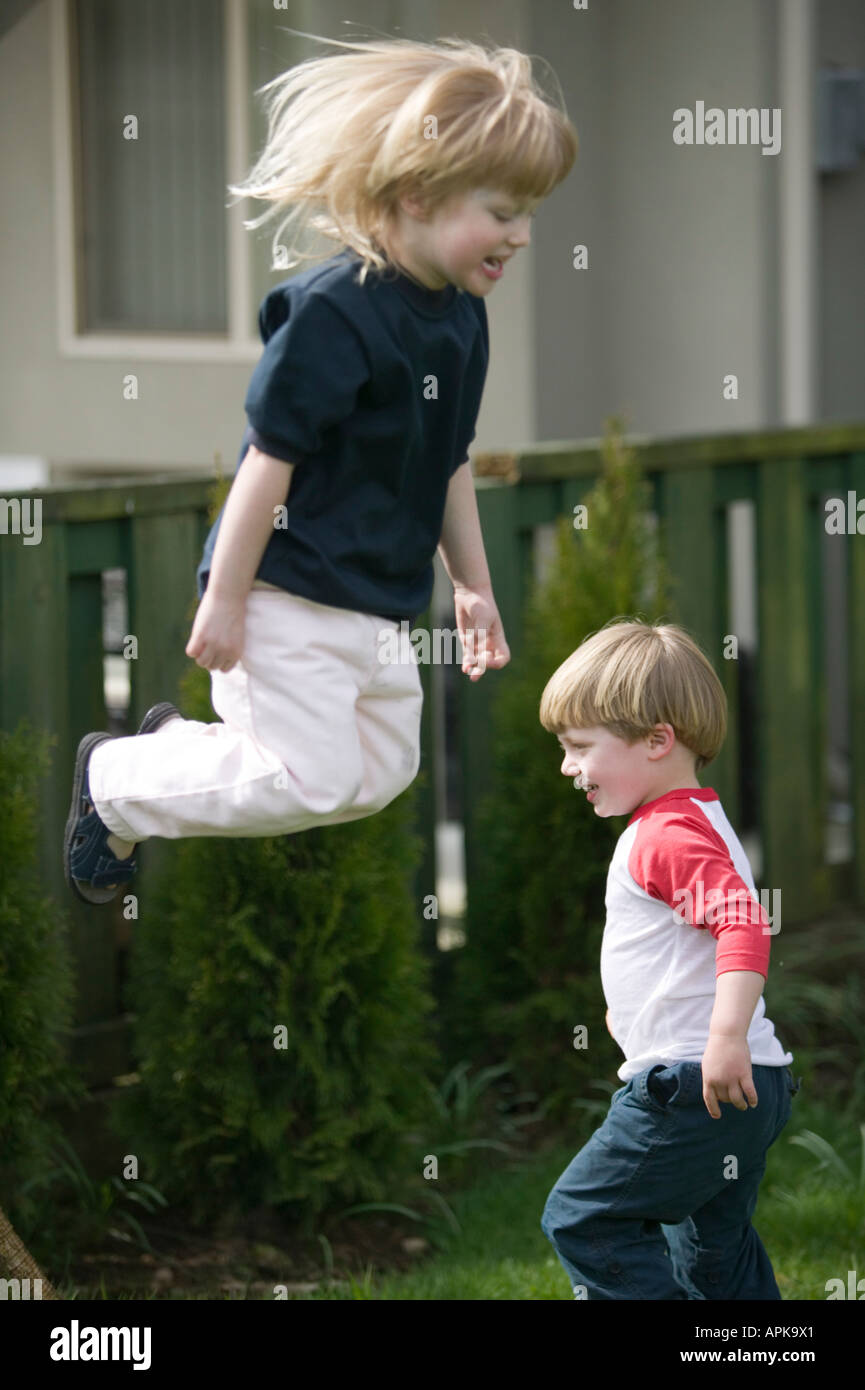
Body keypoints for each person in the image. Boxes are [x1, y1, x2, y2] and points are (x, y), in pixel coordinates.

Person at [64, 33, 578, 905]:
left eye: (529, 213)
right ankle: (116, 780)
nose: (522, 235)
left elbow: (447, 457)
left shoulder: (460, 320)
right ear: (418, 195)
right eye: (501, 211)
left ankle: (171, 754)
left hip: (380, 595)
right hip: (288, 588)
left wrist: (472, 586)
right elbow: (269, 463)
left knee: (382, 771)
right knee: (305, 778)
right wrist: (225, 598)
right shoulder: (336, 313)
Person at [538, 619, 799, 1300]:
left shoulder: (664, 836)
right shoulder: (694, 820)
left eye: (579, 747)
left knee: (585, 1218)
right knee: (715, 1255)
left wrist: (721, 1038)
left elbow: (742, 923)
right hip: (748, 1084)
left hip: (696, 1086)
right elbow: (686, 944)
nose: (567, 767)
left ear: (657, 740)